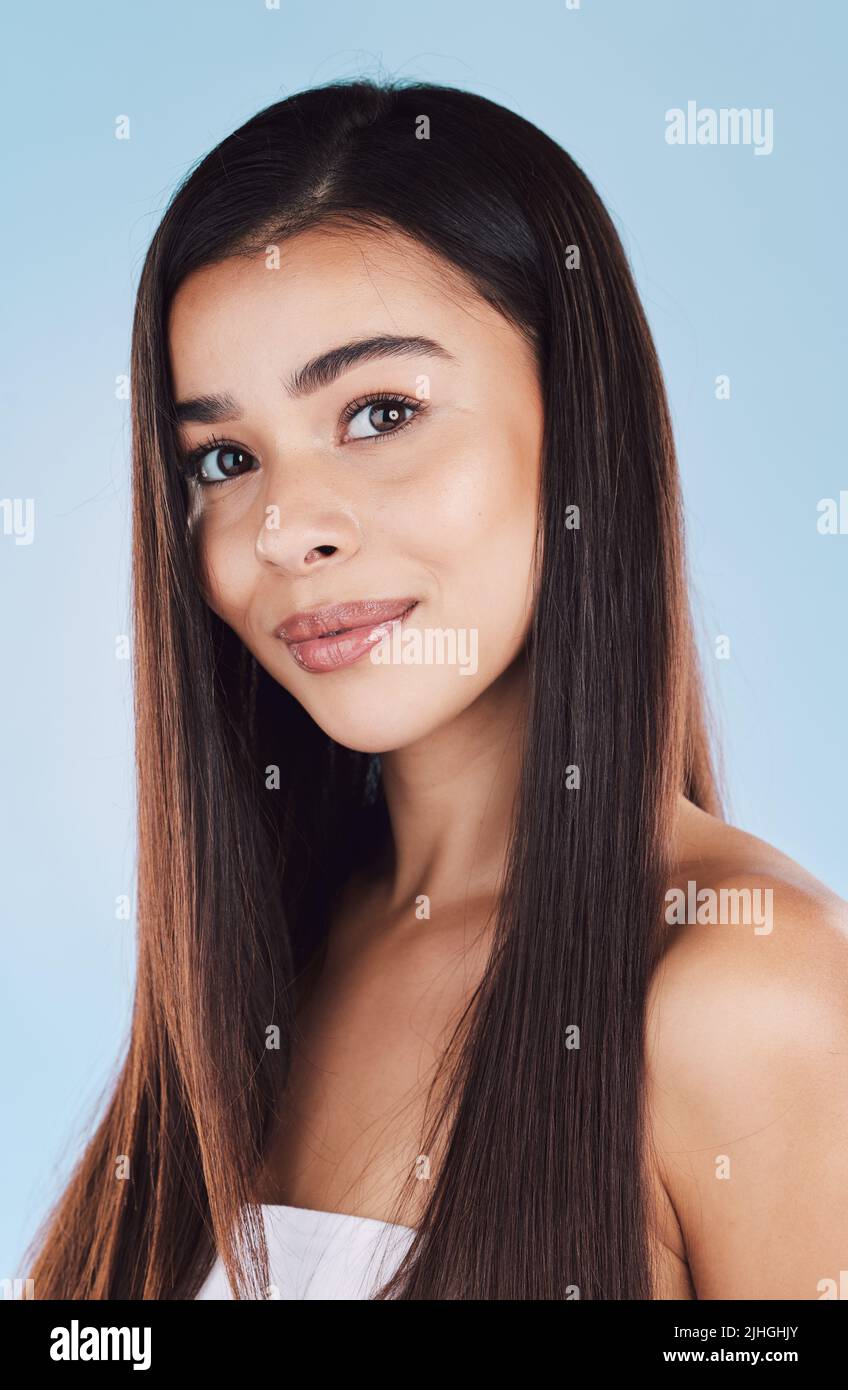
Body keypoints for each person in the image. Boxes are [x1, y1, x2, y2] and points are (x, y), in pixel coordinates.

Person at [24, 79, 848, 1301]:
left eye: (380, 411)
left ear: (578, 429)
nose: (286, 528)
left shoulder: (748, 992)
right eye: (226, 458)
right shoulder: (264, 952)